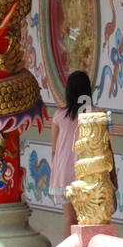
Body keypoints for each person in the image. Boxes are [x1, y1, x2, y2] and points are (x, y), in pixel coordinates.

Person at [51, 71, 91, 229]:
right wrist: (112, 175)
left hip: (65, 171)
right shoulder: (97, 113)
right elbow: (106, 147)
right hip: (89, 172)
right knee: (88, 220)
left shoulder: (59, 116)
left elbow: (55, 150)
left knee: (69, 219)